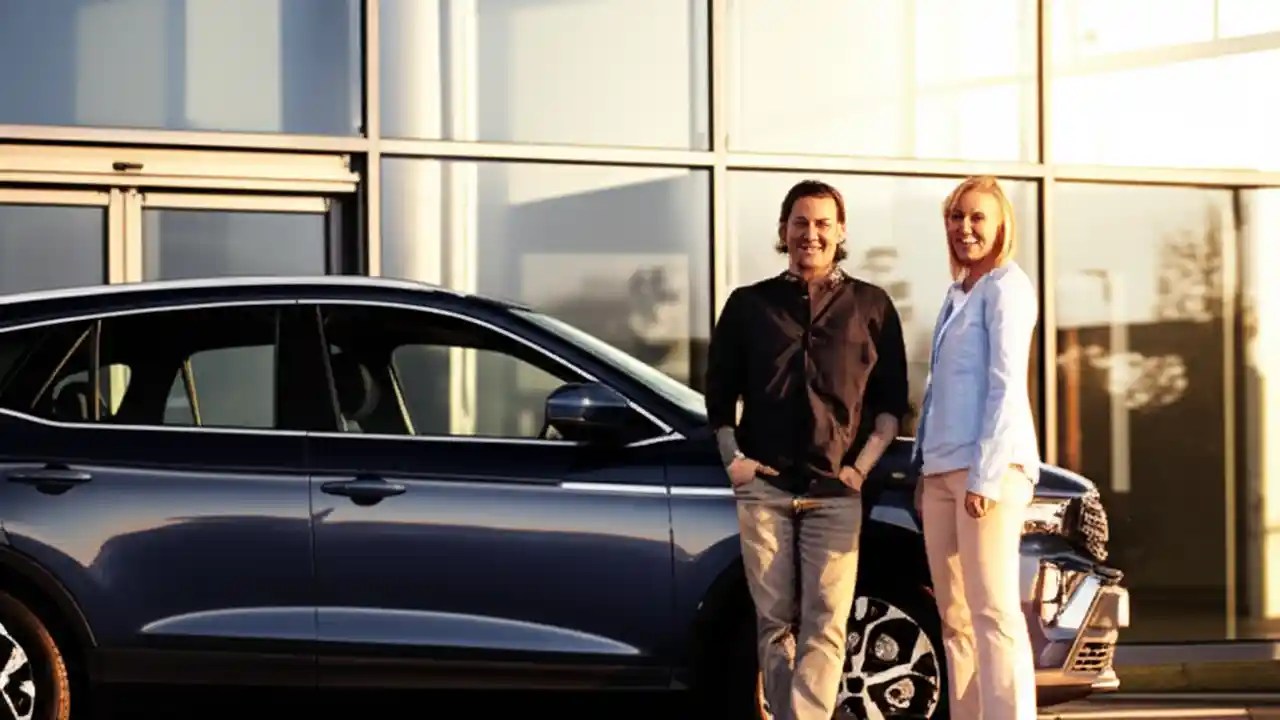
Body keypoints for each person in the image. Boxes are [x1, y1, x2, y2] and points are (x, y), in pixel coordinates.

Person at [705, 179, 909, 720]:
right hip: (765, 490)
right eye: (800, 223)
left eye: (823, 224)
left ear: (840, 232)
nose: (810, 235)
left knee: (826, 626)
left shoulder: (872, 306)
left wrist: (860, 469)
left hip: (836, 494)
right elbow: (719, 397)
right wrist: (735, 463)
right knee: (774, 626)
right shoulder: (749, 306)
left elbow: (891, 404)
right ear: (782, 231)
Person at [913, 175, 1041, 719]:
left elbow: (1005, 385)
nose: (965, 228)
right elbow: (938, 385)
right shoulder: (957, 292)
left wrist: (985, 478)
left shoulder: (1008, 287)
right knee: (955, 618)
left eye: (977, 217)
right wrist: (923, 464)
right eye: (956, 217)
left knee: (994, 615)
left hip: (986, 473)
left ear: (1000, 225)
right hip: (940, 472)